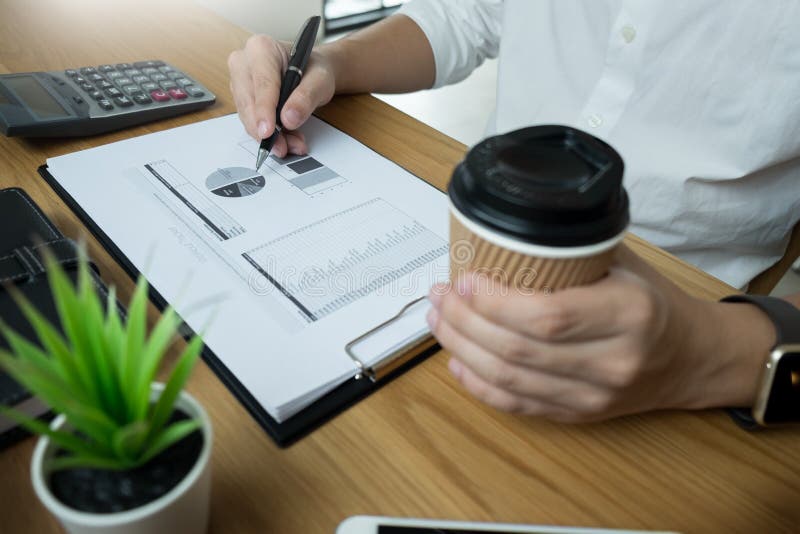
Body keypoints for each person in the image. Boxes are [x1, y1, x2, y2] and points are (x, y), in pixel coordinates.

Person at [228, 1, 800, 423]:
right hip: (465, 254)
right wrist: (332, 62)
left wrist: (709, 351)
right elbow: (464, 15)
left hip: (691, 328)